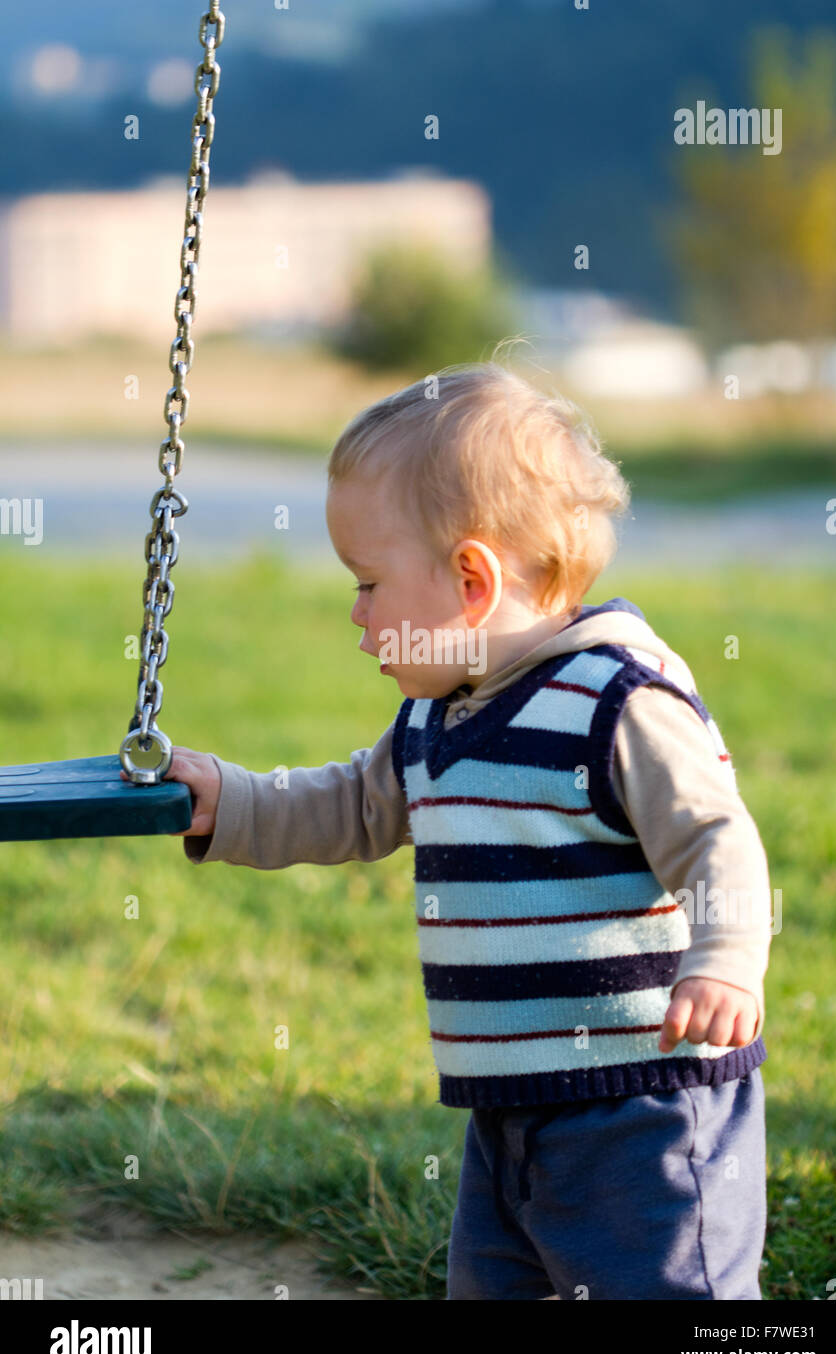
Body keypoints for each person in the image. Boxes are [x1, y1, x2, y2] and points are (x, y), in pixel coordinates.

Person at [143, 359, 772, 1299]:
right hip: (507, 1116)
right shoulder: (442, 720)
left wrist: (723, 959)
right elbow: (346, 804)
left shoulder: (616, 702)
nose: (356, 617)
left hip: (646, 1106)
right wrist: (229, 801)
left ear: (471, 579)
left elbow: (718, 836)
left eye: (367, 583)